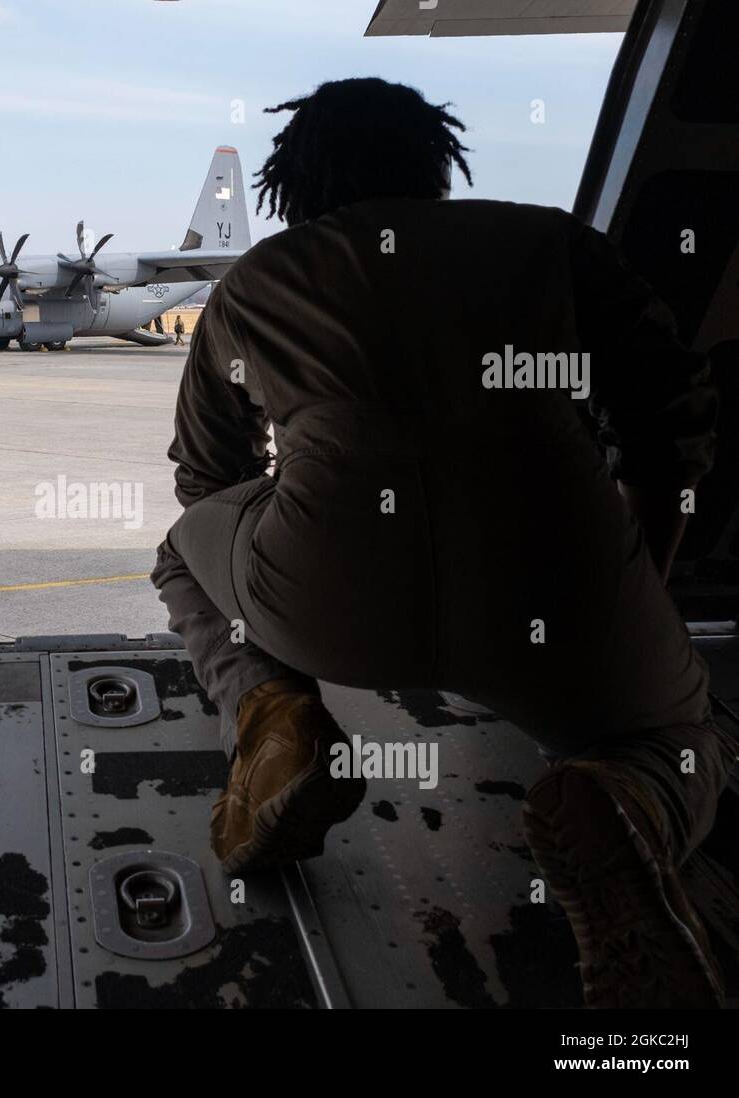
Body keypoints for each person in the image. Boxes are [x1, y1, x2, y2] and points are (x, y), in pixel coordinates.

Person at [151, 77, 735, 1008]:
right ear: (437, 163)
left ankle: (276, 721)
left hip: (326, 603)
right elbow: (674, 425)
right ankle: (631, 805)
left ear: (290, 182)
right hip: (555, 589)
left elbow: (203, 479)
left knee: (182, 547)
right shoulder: (550, 243)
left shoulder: (255, 283)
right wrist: (638, 594)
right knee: (681, 737)